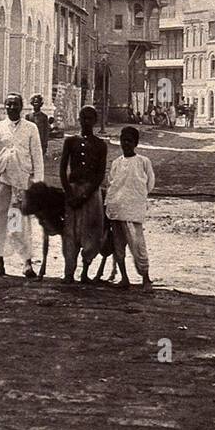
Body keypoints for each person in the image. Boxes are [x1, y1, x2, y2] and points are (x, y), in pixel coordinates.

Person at [0, 93, 45, 278]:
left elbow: (37, 156)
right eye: (9, 104)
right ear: (4, 106)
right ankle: (0, 262)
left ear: (22, 107)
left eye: (16, 104)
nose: (12, 108)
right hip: (3, 180)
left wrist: (38, 184)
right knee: (1, 221)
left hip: (22, 181)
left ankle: (26, 263)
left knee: (21, 222)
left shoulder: (31, 128)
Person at [59, 105, 107, 283]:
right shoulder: (70, 141)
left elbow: (100, 174)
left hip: (91, 194)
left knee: (91, 232)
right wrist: (69, 193)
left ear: (95, 121)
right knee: (70, 232)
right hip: (73, 191)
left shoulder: (100, 145)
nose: (86, 122)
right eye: (83, 118)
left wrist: (86, 194)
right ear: (79, 119)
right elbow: (63, 169)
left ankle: (85, 271)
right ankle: (68, 272)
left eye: (89, 118)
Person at [104, 125, 155, 291]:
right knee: (118, 247)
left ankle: (146, 278)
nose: (125, 144)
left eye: (129, 141)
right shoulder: (117, 163)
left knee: (138, 246)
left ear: (135, 143)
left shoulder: (143, 162)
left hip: (133, 211)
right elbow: (112, 183)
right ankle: (124, 277)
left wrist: (136, 198)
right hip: (116, 210)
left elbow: (149, 184)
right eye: (123, 140)